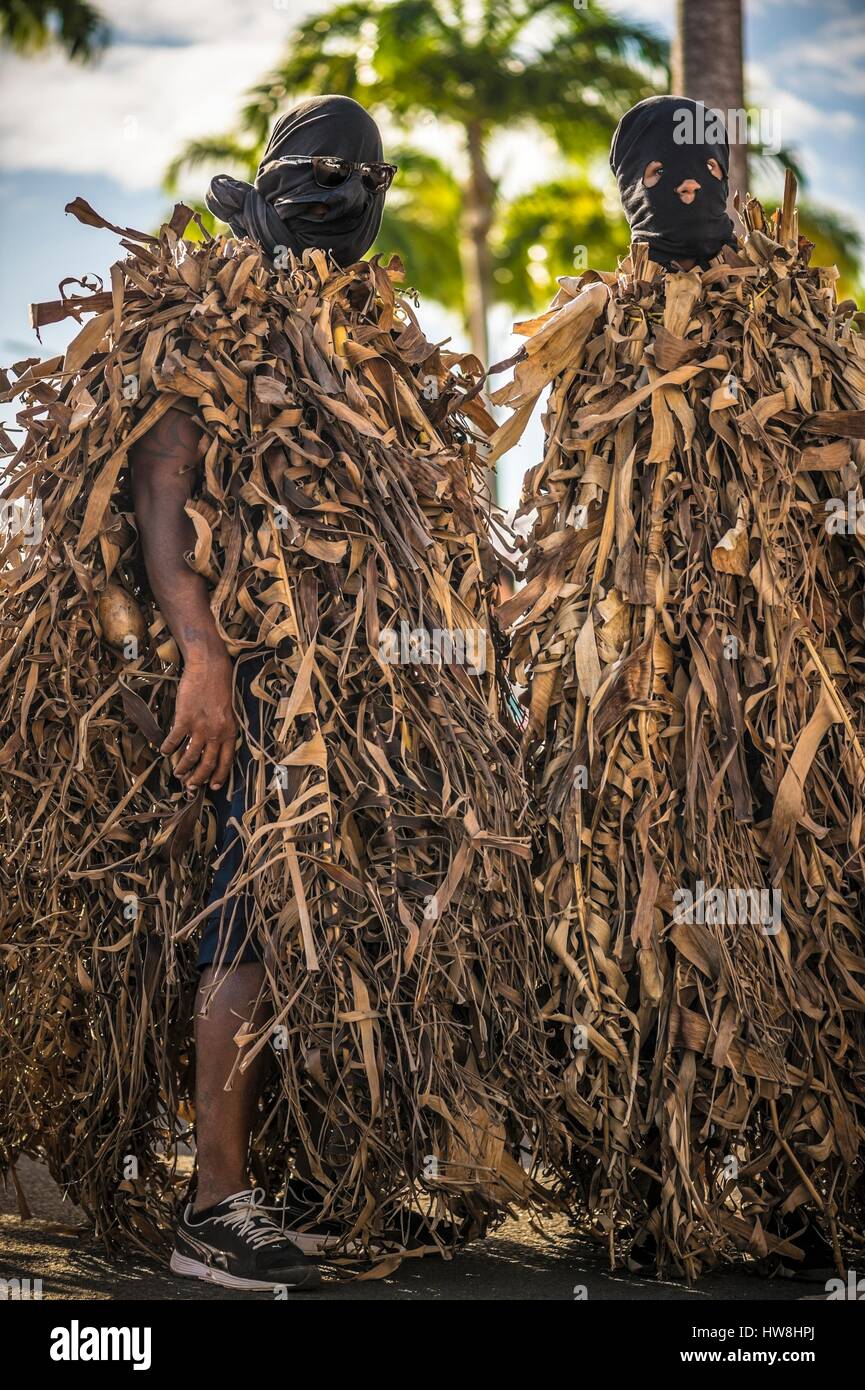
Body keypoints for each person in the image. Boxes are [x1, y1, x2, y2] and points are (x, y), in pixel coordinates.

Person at [0, 94, 554, 1292]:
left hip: (372, 699)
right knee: (249, 911)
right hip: (261, 685)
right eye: (311, 175)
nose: (337, 198)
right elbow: (161, 488)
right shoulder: (207, 309)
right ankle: (214, 1203)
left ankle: (289, 1180)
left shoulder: (376, 337)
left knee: (339, 921)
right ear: (261, 184)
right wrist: (202, 650)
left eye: (360, 178)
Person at [490, 96, 862, 1279]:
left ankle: (804, 1184)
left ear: (732, 169)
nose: (684, 187)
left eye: (703, 164)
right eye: (656, 170)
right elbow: (556, 514)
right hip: (635, 702)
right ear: (624, 186)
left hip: (783, 696)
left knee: (789, 928)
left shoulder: (807, 319)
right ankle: (652, 1188)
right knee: (642, 924)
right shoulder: (585, 334)